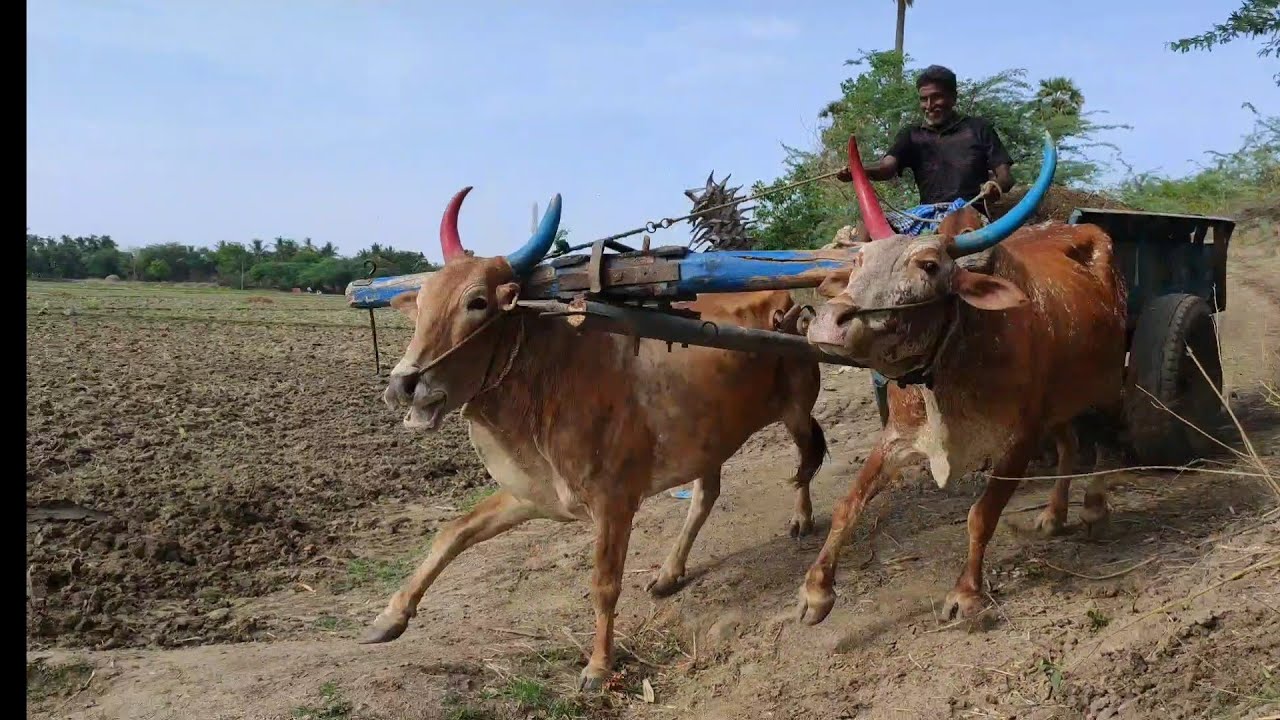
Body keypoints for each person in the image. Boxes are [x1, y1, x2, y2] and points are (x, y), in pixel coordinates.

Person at [835, 64, 1017, 427]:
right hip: (921, 218)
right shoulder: (912, 136)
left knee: (986, 265)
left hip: (965, 213)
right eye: (924, 99)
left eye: (936, 97)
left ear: (952, 97)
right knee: (872, 249)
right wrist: (860, 170)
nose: (930, 105)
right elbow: (888, 166)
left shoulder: (978, 129)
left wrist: (996, 186)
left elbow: (1005, 174)